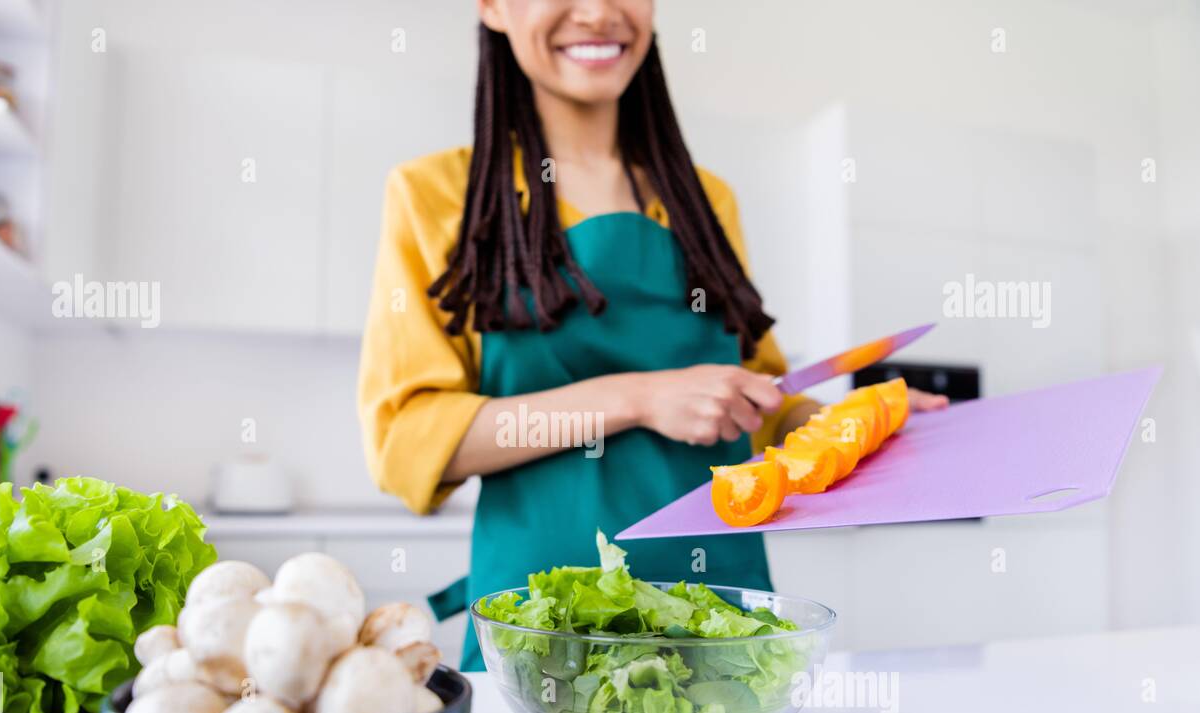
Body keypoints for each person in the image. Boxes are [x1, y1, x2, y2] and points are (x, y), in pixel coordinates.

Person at [358, 0, 945, 671]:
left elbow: (762, 405)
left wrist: (847, 424)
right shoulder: (437, 194)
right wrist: (637, 398)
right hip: (542, 621)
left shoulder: (705, 201)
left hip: (722, 612)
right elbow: (406, 440)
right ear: (492, 7)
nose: (599, 11)